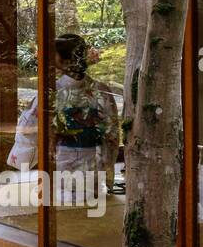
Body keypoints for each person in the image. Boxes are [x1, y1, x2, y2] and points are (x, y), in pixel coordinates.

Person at [7, 34, 120, 196]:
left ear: (62, 61)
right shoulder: (101, 91)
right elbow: (112, 135)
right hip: (92, 170)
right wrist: (107, 170)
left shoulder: (52, 91)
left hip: (59, 167)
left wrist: (24, 156)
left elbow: (28, 127)